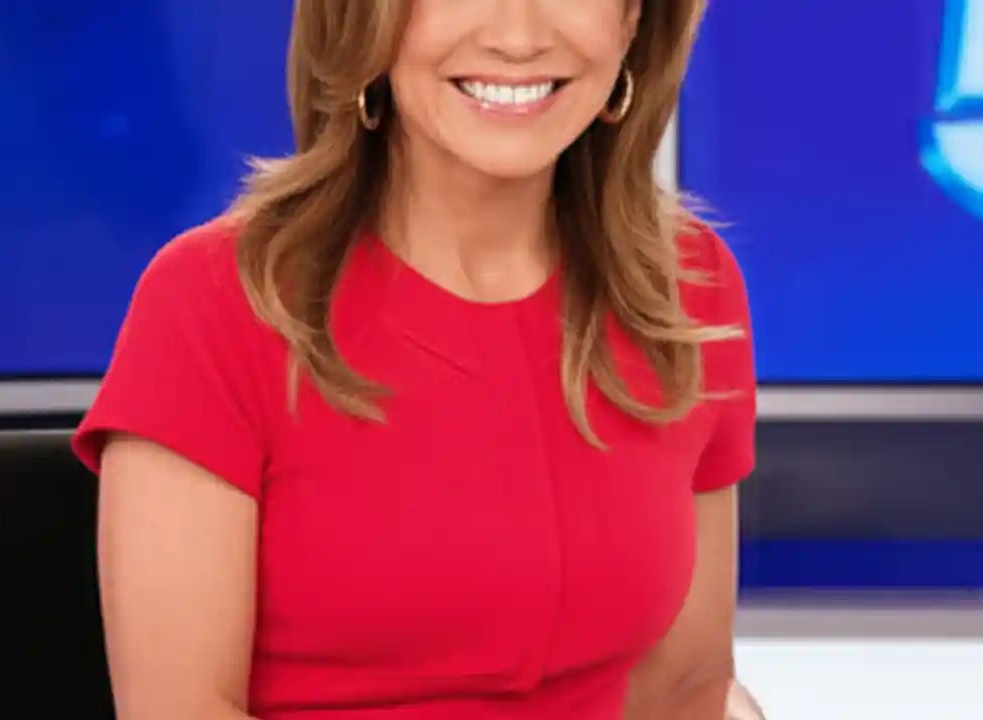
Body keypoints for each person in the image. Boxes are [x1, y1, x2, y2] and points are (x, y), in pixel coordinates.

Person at [72, 1, 760, 718]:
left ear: (635, 21)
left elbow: (688, 688)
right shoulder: (214, 303)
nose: (517, 36)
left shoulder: (686, 289)